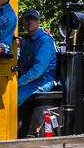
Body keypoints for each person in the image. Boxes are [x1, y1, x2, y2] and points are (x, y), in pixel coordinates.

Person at [16, 8, 59, 136]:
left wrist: (18, 82)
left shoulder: (44, 40)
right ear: (23, 22)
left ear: (38, 21)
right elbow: (19, 58)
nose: (30, 22)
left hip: (42, 81)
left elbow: (38, 70)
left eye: (33, 19)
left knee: (12, 97)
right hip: (29, 80)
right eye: (27, 19)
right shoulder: (27, 40)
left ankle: (14, 134)